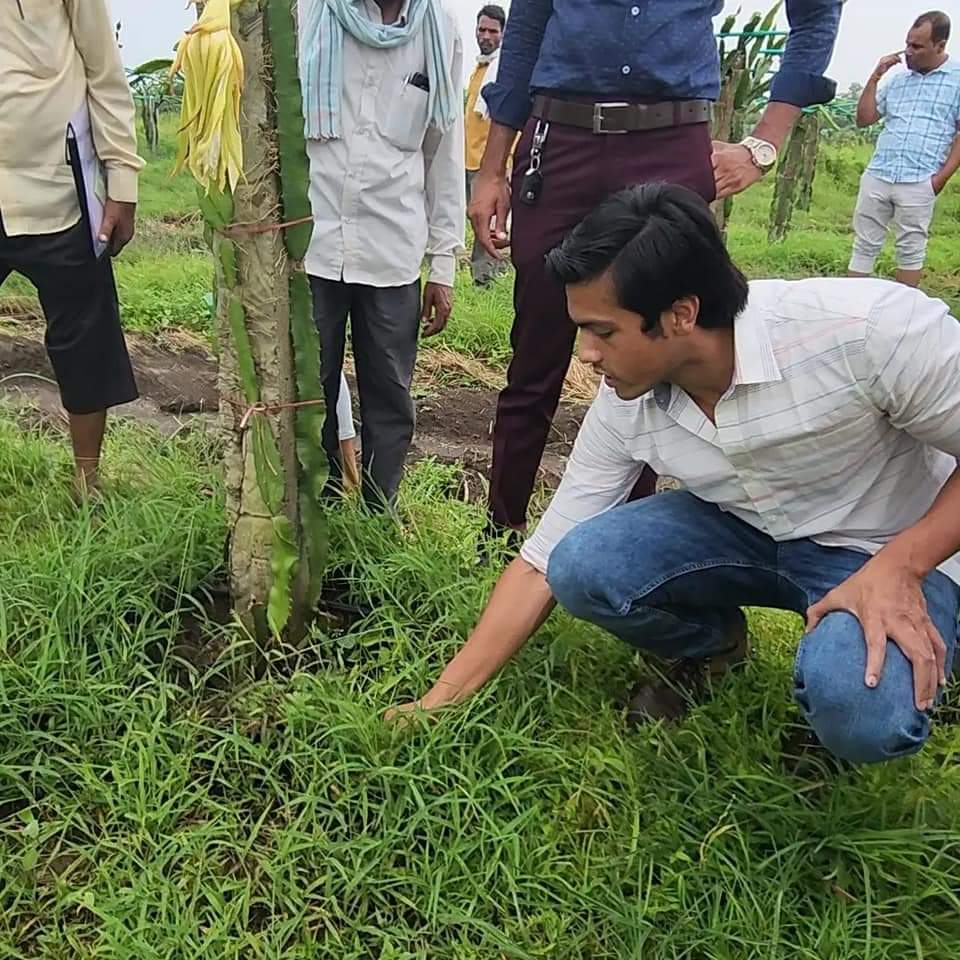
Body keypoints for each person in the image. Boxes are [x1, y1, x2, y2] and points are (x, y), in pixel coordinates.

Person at [391, 184, 960, 767]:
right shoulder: (625, 400)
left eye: (603, 331)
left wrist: (901, 565)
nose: (584, 354)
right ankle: (715, 648)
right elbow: (541, 562)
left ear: (681, 314)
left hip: (887, 546)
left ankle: (837, 711)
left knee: (860, 710)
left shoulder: (868, 333)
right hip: (746, 533)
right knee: (582, 566)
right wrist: (439, 701)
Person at [470, 0, 843, 538]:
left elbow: (816, 11)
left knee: (660, 349)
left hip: (669, 143)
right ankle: (499, 537)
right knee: (534, 356)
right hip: (559, 141)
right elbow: (527, 26)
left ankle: (628, 546)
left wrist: (765, 140)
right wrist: (491, 170)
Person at [297, 0, 464, 507]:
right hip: (312, 242)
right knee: (311, 387)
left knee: (390, 394)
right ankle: (316, 505)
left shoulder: (440, 31)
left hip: (393, 247)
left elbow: (444, 148)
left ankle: (377, 510)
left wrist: (443, 263)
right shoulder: (305, 14)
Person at [0, 0, 143, 496]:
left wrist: (122, 180)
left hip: (57, 185)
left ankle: (87, 478)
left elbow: (103, 69)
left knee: (85, 336)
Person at [848, 11, 960, 288]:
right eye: (907, 44)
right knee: (864, 244)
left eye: (917, 47)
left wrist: (940, 179)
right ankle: (852, 311)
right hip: (879, 172)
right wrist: (875, 77)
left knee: (910, 249)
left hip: (921, 178)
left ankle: (904, 316)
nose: (907, 52)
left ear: (940, 45)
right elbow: (864, 119)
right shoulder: (898, 80)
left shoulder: (957, 80)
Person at [464, 4, 508, 287]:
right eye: (482, 29)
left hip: (488, 163)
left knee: (487, 225)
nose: (486, 36)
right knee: (475, 222)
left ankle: (486, 281)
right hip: (468, 160)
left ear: (503, 34)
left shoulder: (501, 71)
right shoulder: (480, 68)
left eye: (493, 31)